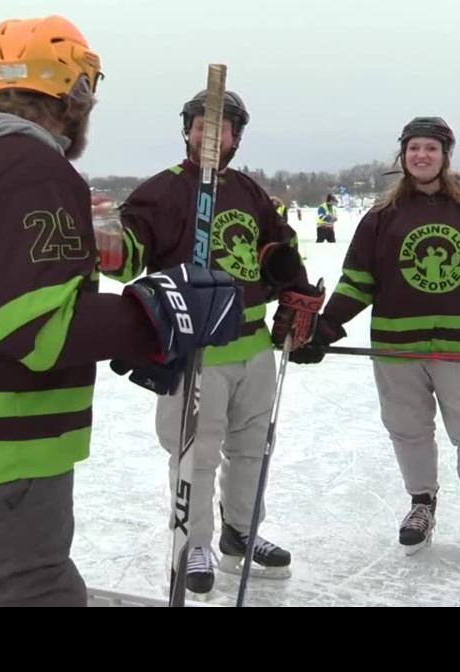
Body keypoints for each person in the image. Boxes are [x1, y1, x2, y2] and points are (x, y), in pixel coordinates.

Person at [0, 15, 243, 607]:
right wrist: (155, 314)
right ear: (76, 91)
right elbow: (39, 331)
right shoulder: (28, 168)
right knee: (35, 593)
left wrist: (131, 328)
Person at [292, 117, 460, 561]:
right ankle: (421, 503)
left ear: (446, 155)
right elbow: (358, 281)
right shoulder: (381, 217)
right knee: (407, 429)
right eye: (413, 149)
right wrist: (327, 326)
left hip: (459, 346)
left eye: (430, 148)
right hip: (395, 347)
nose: (421, 156)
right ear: (403, 156)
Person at [105, 87, 317, 595]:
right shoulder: (161, 190)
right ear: (188, 130)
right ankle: (194, 542)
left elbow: (279, 250)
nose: (210, 134)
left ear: (235, 137)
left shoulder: (250, 191)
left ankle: (241, 534)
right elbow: (130, 251)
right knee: (195, 452)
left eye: (221, 127)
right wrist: (109, 244)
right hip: (194, 349)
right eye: (202, 125)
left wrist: (295, 289)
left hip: (253, 345)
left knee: (252, 449)